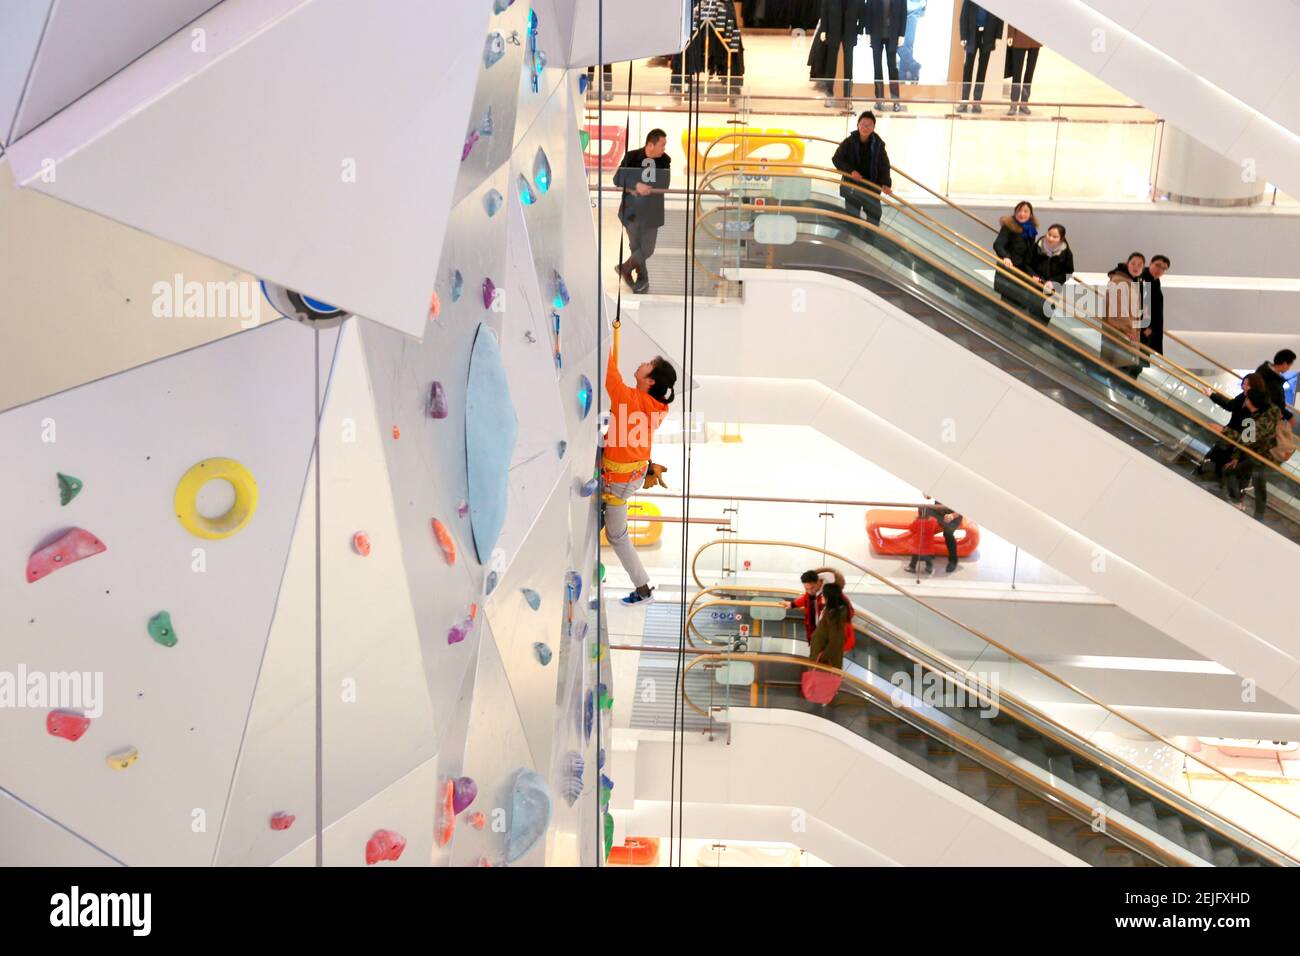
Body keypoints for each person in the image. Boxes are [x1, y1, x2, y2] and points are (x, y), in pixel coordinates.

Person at [602, 321, 678, 606]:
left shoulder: (627, 397)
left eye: (648, 364)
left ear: (651, 381)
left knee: (617, 536)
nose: (643, 363)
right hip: (626, 476)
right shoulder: (658, 408)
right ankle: (642, 585)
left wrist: (604, 334)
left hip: (619, 482)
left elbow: (606, 366)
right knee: (614, 530)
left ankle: (644, 587)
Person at [613, 130, 671, 295]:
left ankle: (625, 268)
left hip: (652, 213)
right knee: (636, 246)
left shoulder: (664, 160)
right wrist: (635, 185)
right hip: (631, 212)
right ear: (650, 145)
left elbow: (665, 184)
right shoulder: (631, 157)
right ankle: (642, 279)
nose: (664, 148)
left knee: (647, 249)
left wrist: (649, 188)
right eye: (662, 144)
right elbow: (617, 179)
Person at [832, 111, 893, 244]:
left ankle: (868, 241)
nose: (865, 128)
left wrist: (886, 183)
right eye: (863, 125)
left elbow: (884, 165)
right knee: (852, 216)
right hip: (852, 187)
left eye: (869, 125)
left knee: (874, 215)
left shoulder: (878, 144)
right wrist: (851, 171)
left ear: (873, 128)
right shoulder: (849, 142)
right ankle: (854, 241)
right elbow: (837, 159)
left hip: (871, 188)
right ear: (858, 125)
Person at [1220, 385, 1281, 517]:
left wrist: (1223, 430)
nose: (1245, 400)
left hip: (1263, 457)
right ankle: (1249, 508)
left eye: (1247, 399)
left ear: (1251, 403)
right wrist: (1236, 457)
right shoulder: (1270, 411)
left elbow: (1247, 440)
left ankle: (1251, 512)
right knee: (1255, 483)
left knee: (1255, 483)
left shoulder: (1259, 422)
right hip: (1259, 455)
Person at [1198, 373, 1268, 479]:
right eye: (1243, 384)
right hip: (1228, 438)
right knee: (1212, 459)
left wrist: (1236, 456)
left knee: (1220, 468)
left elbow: (1248, 438)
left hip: (1236, 445)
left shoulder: (1258, 413)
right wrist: (1212, 395)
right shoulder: (1244, 396)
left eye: (1246, 385)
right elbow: (1231, 405)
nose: (1243, 387)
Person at [992, 201, 1045, 320]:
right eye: (1019, 211)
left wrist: (1033, 273)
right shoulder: (1009, 227)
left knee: (1018, 300)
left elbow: (1029, 255)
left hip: (1023, 271)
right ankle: (1002, 327)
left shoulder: (1031, 230)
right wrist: (1006, 257)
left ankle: (1009, 326)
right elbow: (998, 244)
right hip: (1009, 269)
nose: (1022, 214)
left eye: (1025, 211)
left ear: (1030, 214)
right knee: (1008, 301)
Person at [786, 567, 857, 651]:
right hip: (820, 633)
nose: (809, 591)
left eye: (811, 588)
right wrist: (792, 604)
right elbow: (806, 598)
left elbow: (850, 613)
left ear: (819, 582)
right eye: (806, 589)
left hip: (834, 639)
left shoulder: (834, 594)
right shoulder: (814, 591)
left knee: (830, 660)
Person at [816, 0, 867, 105]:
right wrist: (824, 29)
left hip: (850, 30)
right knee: (831, 65)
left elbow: (862, 9)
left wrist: (860, 29)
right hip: (833, 30)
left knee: (849, 66)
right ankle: (829, 94)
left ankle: (848, 97)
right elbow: (825, 8)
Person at [1101, 255, 1145, 378]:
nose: (1136, 267)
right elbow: (1118, 310)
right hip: (1122, 336)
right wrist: (1128, 330)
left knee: (1125, 373)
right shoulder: (1119, 282)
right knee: (1121, 374)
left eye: (1140, 265)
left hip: (1127, 336)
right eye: (1133, 263)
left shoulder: (1131, 283)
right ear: (1127, 264)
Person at [957, 1, 1002, 114]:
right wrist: (963, 36)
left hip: (988, 35)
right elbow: (964, 15)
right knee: (968, 68)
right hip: (972, 34)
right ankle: (964, 101)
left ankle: (977, 102)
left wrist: (998, 36)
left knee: (982, 69)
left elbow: (1000, 16)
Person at [866, 0, 907, 112]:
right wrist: (868, 32)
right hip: (876, 34)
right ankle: (879, 99)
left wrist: (902, 34)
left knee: (892, 68)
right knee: (877, 67)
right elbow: (868, 11)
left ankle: (895, 100)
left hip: (892, 35)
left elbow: (903, 13)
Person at [1031, 223, 1074, 323]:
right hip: (1036, 284)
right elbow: (1028, 263)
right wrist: (1034, 275)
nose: (1050, 238)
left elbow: (1068, 272)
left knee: (1045, 315)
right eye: (1049, 234)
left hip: (1054, 289)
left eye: (1055, 237)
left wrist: (1053, 282)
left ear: (1061, 238)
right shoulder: (1037, 246)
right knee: (1032, 313)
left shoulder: (1066, 253)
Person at [908, 501, 962, 573]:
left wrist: (952, 515)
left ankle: (953, 560)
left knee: (947, 534)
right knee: (924, 508)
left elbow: (964, 508)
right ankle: (927, 553)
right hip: (938, 512)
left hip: (953, 517)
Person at [808, 583, 853, 670]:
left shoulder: (835, 617)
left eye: (823, 595)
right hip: (821, 662)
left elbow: (836, 642)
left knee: (818, 683)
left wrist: (821, 658)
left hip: (824, 666)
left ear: (829, 598)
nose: (821, 597)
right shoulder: (830, 612)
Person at [1139, 254, 1170, 358]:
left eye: (1163, 269)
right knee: (1139, 360)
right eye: (1158, 265)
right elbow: (1142, 304)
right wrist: (1147, 327)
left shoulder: (1155, 281)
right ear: (1150, 263)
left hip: (1149, 329)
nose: (1159, 270)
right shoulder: (1144, 279)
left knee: (1142, 360)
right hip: (1144, 329)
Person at [1005, 26, 1041, 114]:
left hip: (1035, 40)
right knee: (1017, 72)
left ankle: (1024, 103)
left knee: (1029, 72)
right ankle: (1014, 103)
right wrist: (1010, 35)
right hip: (1019, 37)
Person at [1254, 349, 1295, 423]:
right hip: (1265, 417)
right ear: (1285, 364)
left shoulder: (1270, 374)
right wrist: (1287, 415)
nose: (1289, 368)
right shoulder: (1269, 377)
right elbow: (1272, 399)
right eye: (1290, 365)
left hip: (1271, 414)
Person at [897, 0, 927, 81]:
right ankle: (912, 65)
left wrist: (923, 4)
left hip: (913, 10)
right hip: (897, 9)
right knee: (897, 43)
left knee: (908, 44)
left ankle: (902, 76)